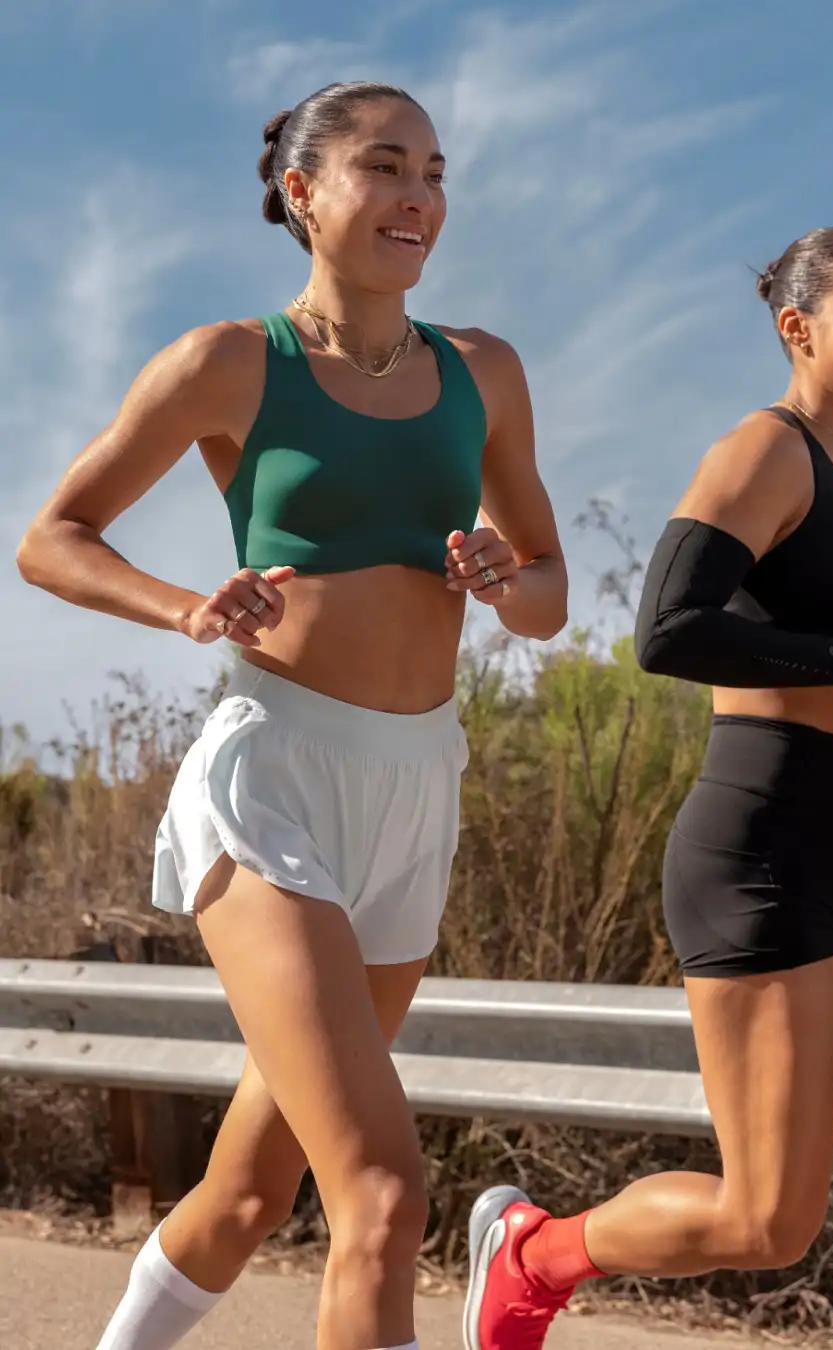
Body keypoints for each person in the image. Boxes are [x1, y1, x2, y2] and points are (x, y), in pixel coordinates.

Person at [17, 80, 567, 1350]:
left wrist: (505, 577)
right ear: (302, 192)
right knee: (380, 1191)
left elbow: (545, 592)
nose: (419, 194)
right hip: (272, 783)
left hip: (414, 789)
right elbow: (53, 539)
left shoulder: (484, 370)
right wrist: (184, 611)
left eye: (434, 170)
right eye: (384, 166)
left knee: (255, 1187)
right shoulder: (229, 362)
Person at [463, 226, 833, 1350]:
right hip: (764, 847)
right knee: (768, 1218)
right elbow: (669, 632)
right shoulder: (762, 452)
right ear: (799, 327)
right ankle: (535, 1252)